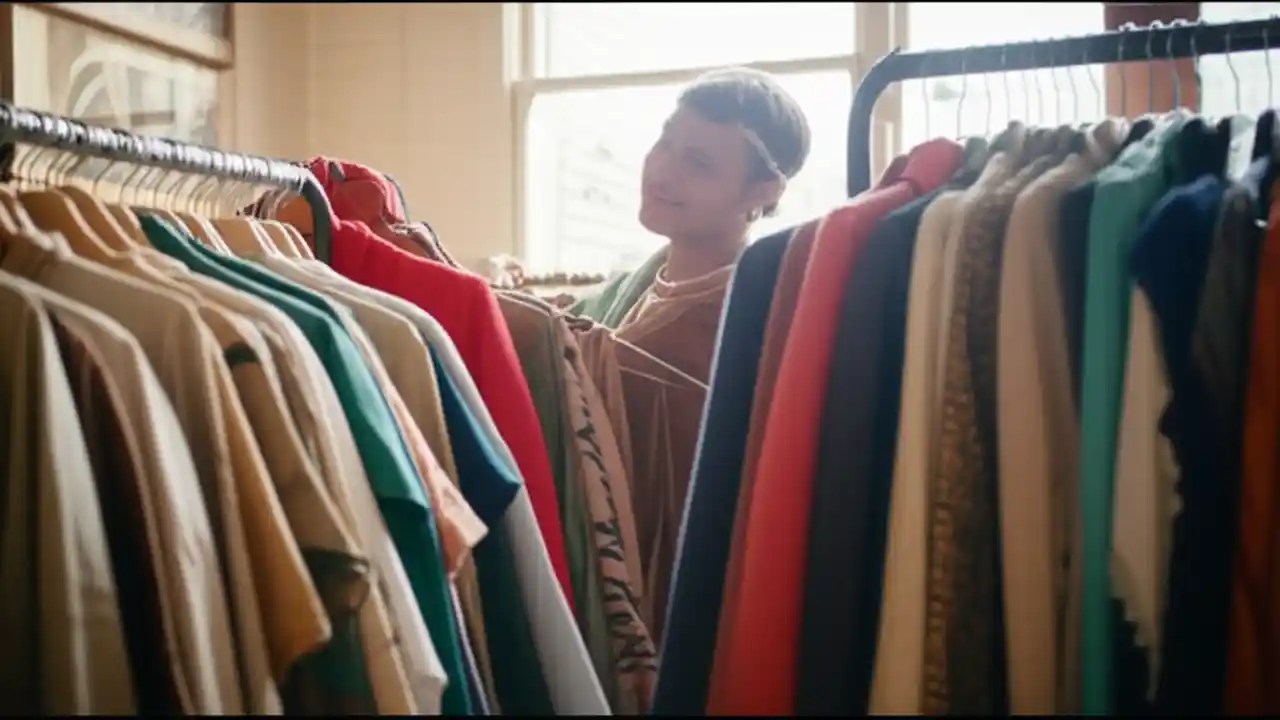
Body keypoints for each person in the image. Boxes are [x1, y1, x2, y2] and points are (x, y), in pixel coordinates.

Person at [569, 66, 811, 383]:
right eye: (665, 142)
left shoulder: (747, 329)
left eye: (698, 162)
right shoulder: (624, 293)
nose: (662, 171)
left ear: (761, 192)